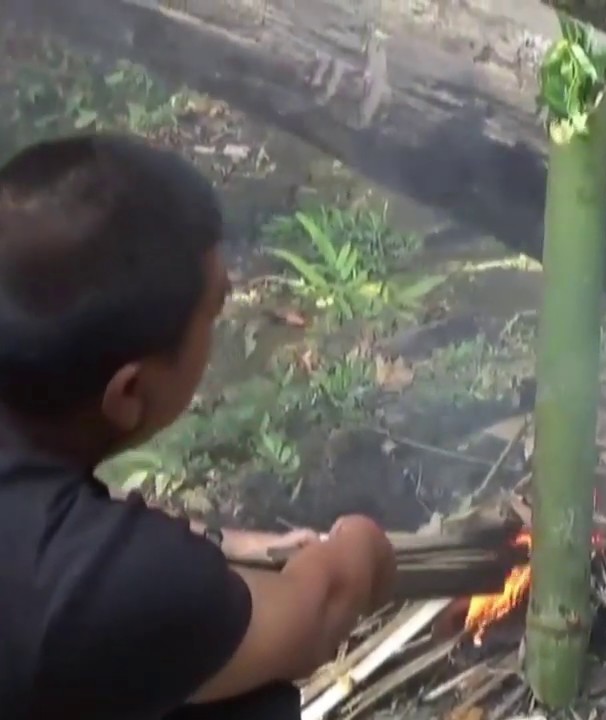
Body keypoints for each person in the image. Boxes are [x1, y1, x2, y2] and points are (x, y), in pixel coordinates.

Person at [0, 134, 398, 719]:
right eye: (214, 310)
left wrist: (220, 546)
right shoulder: (83, 587)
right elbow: (314, 615)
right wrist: (360, 550)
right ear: (130, 391)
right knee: (244, 698)